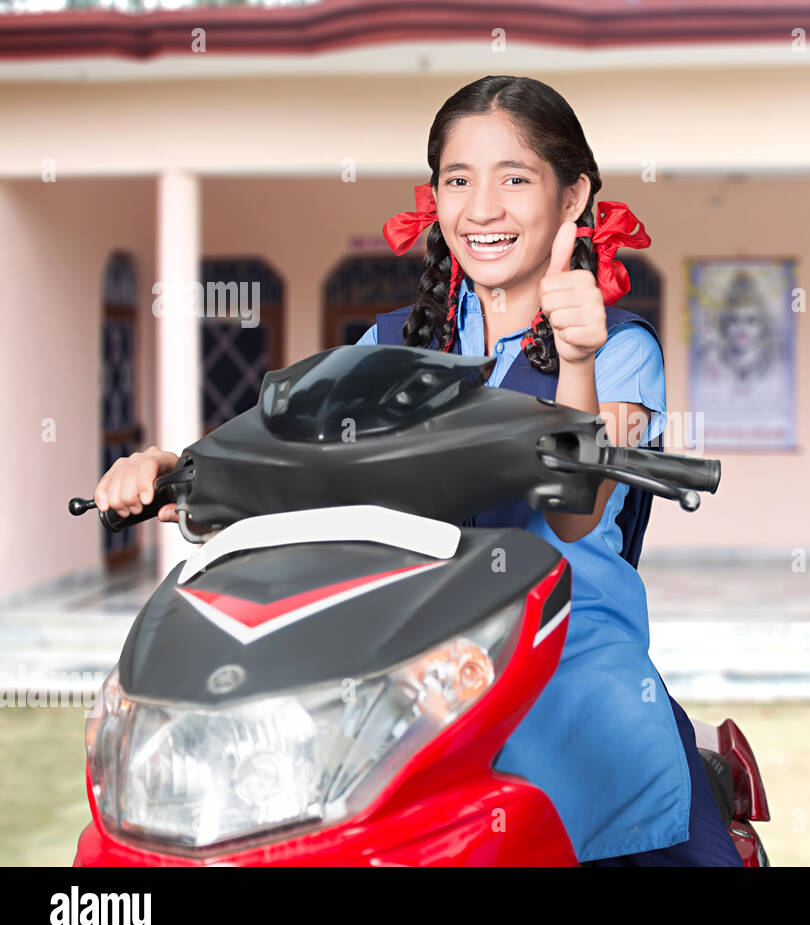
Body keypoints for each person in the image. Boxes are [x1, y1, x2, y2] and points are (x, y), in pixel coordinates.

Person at [93, 74, 742, 867]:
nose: (482, 208)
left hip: (557, 633)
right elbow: (293, 443)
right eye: (458, 180)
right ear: (433, 198)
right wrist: (177, 468)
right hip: (408, 624)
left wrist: (577, 360)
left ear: (573, 198)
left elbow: (577, 510)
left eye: (515, 178)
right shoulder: (392, 344)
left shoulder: (621, 347)